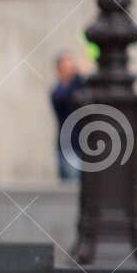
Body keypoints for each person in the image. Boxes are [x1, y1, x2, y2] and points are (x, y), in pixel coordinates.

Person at [50, 51, 86, 181]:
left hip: (83, 146)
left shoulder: (79, 86)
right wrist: (77, 75)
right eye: (67, 68)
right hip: (68, 148)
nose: (71, 71)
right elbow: (69, 99)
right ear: (59, 70)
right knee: (71, 188)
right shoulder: (57, 92)